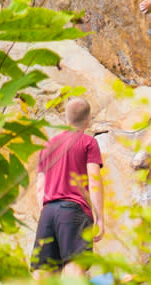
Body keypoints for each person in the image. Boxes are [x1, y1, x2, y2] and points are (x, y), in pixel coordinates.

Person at [30, 97, 104, 279]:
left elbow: (40, 188)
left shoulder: (47, 146)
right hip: (74, 211)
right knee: (74, 270)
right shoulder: (88, 142)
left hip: (48, 213)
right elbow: (94, 180)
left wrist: (47, 213)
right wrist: (100, 217)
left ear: (65, 118)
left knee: (43, 275)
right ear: (88, 120)